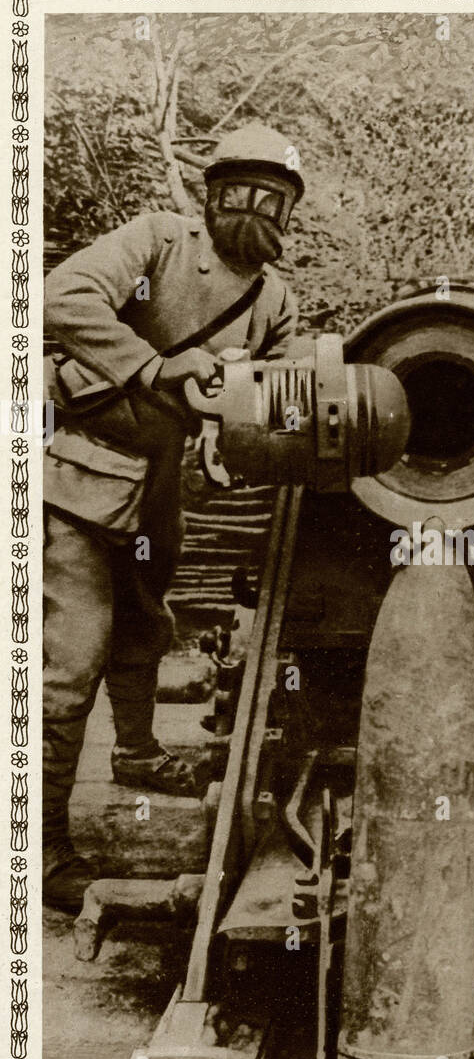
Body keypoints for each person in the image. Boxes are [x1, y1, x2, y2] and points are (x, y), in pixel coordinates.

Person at [43, 123, 304, 913]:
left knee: (144, 629)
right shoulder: (158, 242)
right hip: (77, 474)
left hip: (162, 482)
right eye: (238, 194)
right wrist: (154, 366)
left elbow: (276, 396)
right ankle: (41, 854)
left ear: (290, 213)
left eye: (273, 199)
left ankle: (136, 754)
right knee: (68, 668)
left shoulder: (275, 300)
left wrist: (233, 444)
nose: (253, 211)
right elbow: (60, 297)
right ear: (209, 197)